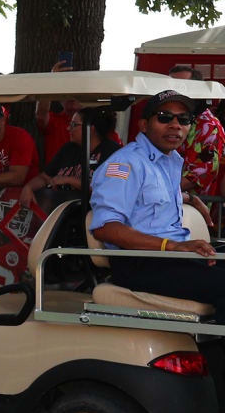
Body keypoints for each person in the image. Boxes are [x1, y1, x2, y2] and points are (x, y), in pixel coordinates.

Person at [90, 90, 225, 314]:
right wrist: (172, 246)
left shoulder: (168, 161)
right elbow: (106, 228)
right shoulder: (125, 164)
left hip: (172, 257)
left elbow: (150, 199)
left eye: (184, 120)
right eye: (164, 117)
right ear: (144, 125)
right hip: (142, 262)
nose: (175, 125)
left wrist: (190, 199)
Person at [19, 108, 120, 208]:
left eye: (74, 125)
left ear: (90, 129)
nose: (68, 128)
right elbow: (44, 177)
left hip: (92, 216)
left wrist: (70, 180)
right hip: (60, 213)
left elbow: (110, 189)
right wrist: (28, 187)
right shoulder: (68, 148)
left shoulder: (113, 152)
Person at [168, 64, 225, 196]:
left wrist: (155, 192)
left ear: (196, 90)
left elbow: (195, 177)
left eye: (181, 86)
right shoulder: (171, 119)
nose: (173, 92)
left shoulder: (209, 127)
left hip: (191, 210)